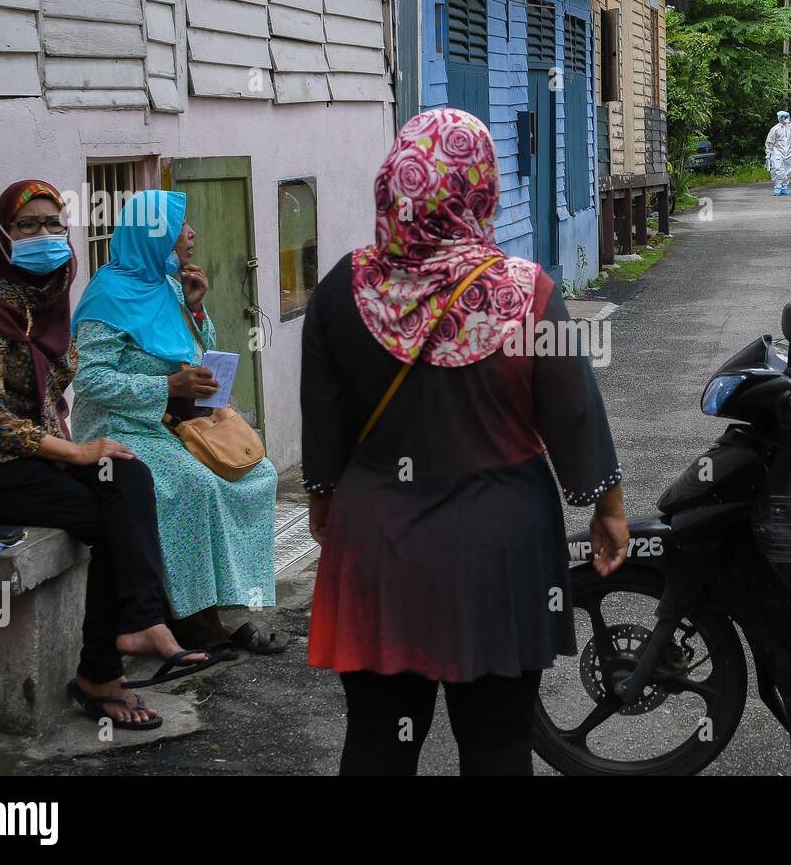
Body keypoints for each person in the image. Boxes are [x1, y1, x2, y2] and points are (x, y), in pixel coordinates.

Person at [301, 107, 630, 776]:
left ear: (393, 184)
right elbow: (574, 417)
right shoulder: (528, 292)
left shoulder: (342, 289)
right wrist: (608, 506)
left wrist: (326, 505)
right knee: (497, 744)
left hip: (378, 548)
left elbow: (322, 429)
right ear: (481, 186)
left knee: (377, 742)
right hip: (498, 549)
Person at [0, 180, 212, 731]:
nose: (46, 235)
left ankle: (142, 624)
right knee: (111, 512)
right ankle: (102, 671)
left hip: (34, 457)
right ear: (2, 236)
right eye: (29, 225)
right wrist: (78, 452)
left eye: (55, 224)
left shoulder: (45, 299)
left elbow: (62, 384)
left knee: (128, 476)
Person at [71, 191, 283, 656]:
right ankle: (188, 618)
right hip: (122, 424)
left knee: (256, 476)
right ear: (153, 237)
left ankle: (221, 606)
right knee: (190, 484)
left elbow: (191, 350)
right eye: (179, 228)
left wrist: (196, 308)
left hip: (176, 423)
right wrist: (166, 386)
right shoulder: (107, 296)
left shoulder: (166, 284)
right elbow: (89, 381)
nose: (190, 235)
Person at [765, 111, 791, 195]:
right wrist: (768, 153)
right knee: (777, 168)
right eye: (784, 117)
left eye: (787, 117)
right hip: (777, 151)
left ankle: (784, 186)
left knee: (787, 170)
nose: (786, 119)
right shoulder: (775, 129)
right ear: (780, 118)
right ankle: (777, 186)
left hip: (789, 152)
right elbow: (769, 142)